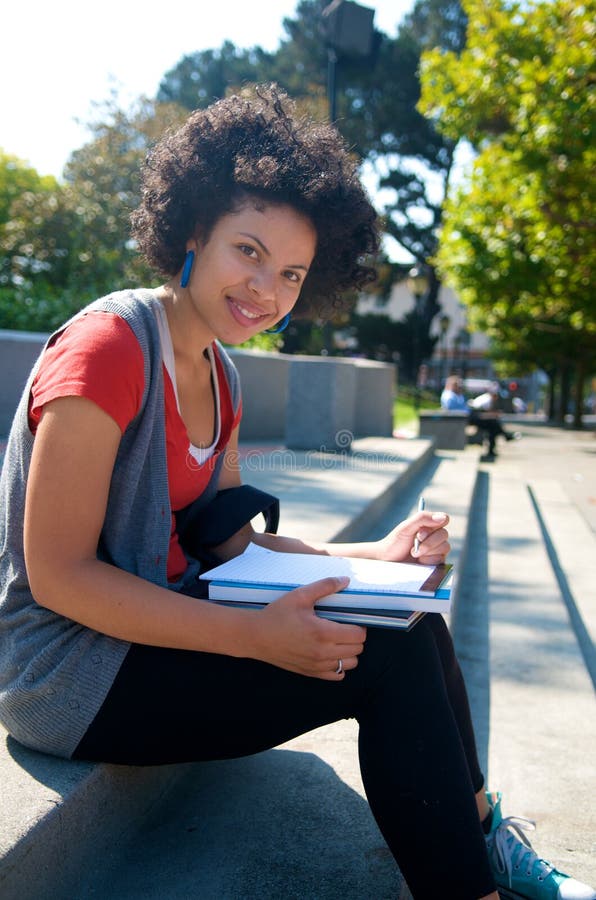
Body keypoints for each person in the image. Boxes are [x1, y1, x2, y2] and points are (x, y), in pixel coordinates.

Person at [0, 85, 593, 900]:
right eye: (248, 251)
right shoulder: (107, 349)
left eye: (290, 273)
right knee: (383, 657)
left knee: (407, 612)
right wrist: (252, 639)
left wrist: (367, 558)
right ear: (193, 229)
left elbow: (229, 543)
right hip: (66, 671)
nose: (266, 291)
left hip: (161, 621)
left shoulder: (222, 371)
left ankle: (479, 831)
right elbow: (60, 575)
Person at [441, 376, 520, 459]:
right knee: (492, 423)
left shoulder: (455, 394)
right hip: (465, 417)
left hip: (468, 415)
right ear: (451, 385)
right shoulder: (449, 395)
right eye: (457, 385)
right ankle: (504, 436)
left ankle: (499, 442)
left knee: (493, 422)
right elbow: (452, 409)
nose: (459, 387)